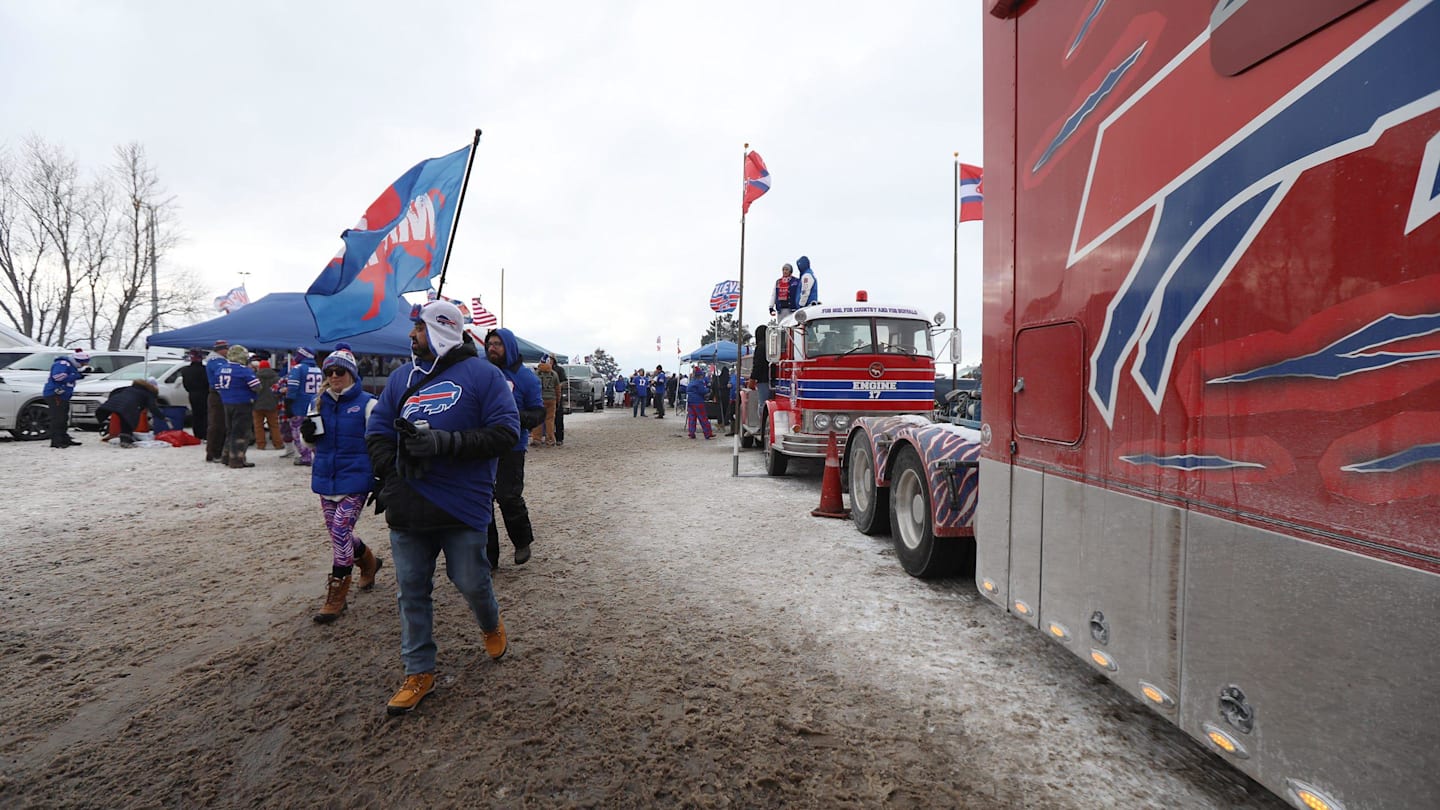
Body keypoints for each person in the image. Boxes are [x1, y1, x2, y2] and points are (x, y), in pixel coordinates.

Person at [365, 300, 519, 716]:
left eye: (418, 328)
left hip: (462, 503)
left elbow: (507, 432)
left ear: (441, 330)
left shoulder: (484, 375)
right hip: (409, 504)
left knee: (470, 579)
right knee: (411, 589)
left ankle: (490, 623)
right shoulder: (401, 379)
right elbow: (377, 430)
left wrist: (444, 443)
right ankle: (419, 671)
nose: (412, 336)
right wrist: (392, 470)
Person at [300, 344, 383, 623]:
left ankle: (336, 595)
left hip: (356, 479)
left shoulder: (369, 404)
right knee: (340, 534)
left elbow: (380, 443)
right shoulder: (317, 402)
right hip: (326, 478)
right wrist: (307, 435)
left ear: (351, 373)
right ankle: (369, 562)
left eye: (340, 371)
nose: (334, 376)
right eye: (330, 372)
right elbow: (311, 445)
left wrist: (381, 478)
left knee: (339, 531)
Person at [483, 328, 545, 569]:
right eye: (490, 344)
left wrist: (514, 417)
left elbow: (538, 412)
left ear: (508, 346)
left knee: (508, 496)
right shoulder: (482, 372)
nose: (492, 348)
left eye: (498, 344)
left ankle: (521, 540)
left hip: (512, 445)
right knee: (483, 500)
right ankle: (488, 557)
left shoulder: (525, 377)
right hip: (483, 443)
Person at [217, 344, 260, 468]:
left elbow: (217, 387)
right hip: (242, 403)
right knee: (240, 432)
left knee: (230, 431)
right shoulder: (244, 370)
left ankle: (226, 456)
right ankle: (237, 459)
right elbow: (256, 387)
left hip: (226, 402)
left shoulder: (221, 369)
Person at [95, 377, 167, 448]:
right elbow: (153, 407)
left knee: (125, 421)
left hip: (115, 403)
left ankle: (125, 440)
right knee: (129, 422)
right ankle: (125, 442)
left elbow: (115, 391)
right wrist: (162, 417)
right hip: (128, 406)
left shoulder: (131, 388)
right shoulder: (148, 393)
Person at [285, 346, 323, 466]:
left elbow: (292, 388)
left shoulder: (298, 368)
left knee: (298, 431)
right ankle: (319, 456)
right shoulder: (318, 369)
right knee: (316, 432)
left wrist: (288, 404)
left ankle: (305, 457)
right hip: (314, 405)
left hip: (299, 406)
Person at [44, 349, 89, 449]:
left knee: (63, 418)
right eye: (83, 364)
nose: (83, 365)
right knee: (58, 418)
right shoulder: (62, 363)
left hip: (63, 395)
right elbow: (58, 377)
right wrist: (76, 375)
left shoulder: (69, 365)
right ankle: (56, 441)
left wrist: (81, 375)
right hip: (55, 394)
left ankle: (63, 437)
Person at [204, 339, 231, 463]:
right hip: (218, 395)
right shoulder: (216, 362)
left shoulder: (217, 360)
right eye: (227, 348)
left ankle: (215, 451)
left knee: (220, 423)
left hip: (219, 394)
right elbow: (221, 376)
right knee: (217, 423)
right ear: (222, 349)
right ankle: (214, 452)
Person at [252, 359, 284, 451]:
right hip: (272, 404)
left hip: (257, 404)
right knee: (274, 425)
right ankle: (278, 444)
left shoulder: (255, 377)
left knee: (258, 426)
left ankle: (261, 444)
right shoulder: (276, 377)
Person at [180, 350, 209, 440]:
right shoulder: (205, 370)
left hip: (192, 394)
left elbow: (185, 384)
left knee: (196, 414)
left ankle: (197, 434)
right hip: (204, 393)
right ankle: (204, 433)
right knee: (205, 414)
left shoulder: (185, 370)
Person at [533, 358, 559, 447]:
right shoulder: (554, 373)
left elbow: (532, 387)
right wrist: (557, 400)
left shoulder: (536, 373)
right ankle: (550, 439)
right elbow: (557, 389)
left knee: (538, 419)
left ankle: (537, 439)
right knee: (550, 420)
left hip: (539, 399)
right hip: (551, 399)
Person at [686, 365, 715, 440]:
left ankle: (691, 433)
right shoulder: (699, 382)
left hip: (690, 401)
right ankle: (708, 433)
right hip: (698, 402)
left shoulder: (691, 382)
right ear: (700, 375)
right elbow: (703, 391)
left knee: (692, 418)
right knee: (703, 418)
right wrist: (708, 390)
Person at [715, 364, 733, 433]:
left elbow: (717, 387)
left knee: (720, 409)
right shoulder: (728, 378)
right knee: (726, 409)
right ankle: (725, 421)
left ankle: (720, 421)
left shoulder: (719, 378)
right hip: (726, 396)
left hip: (719, 396)